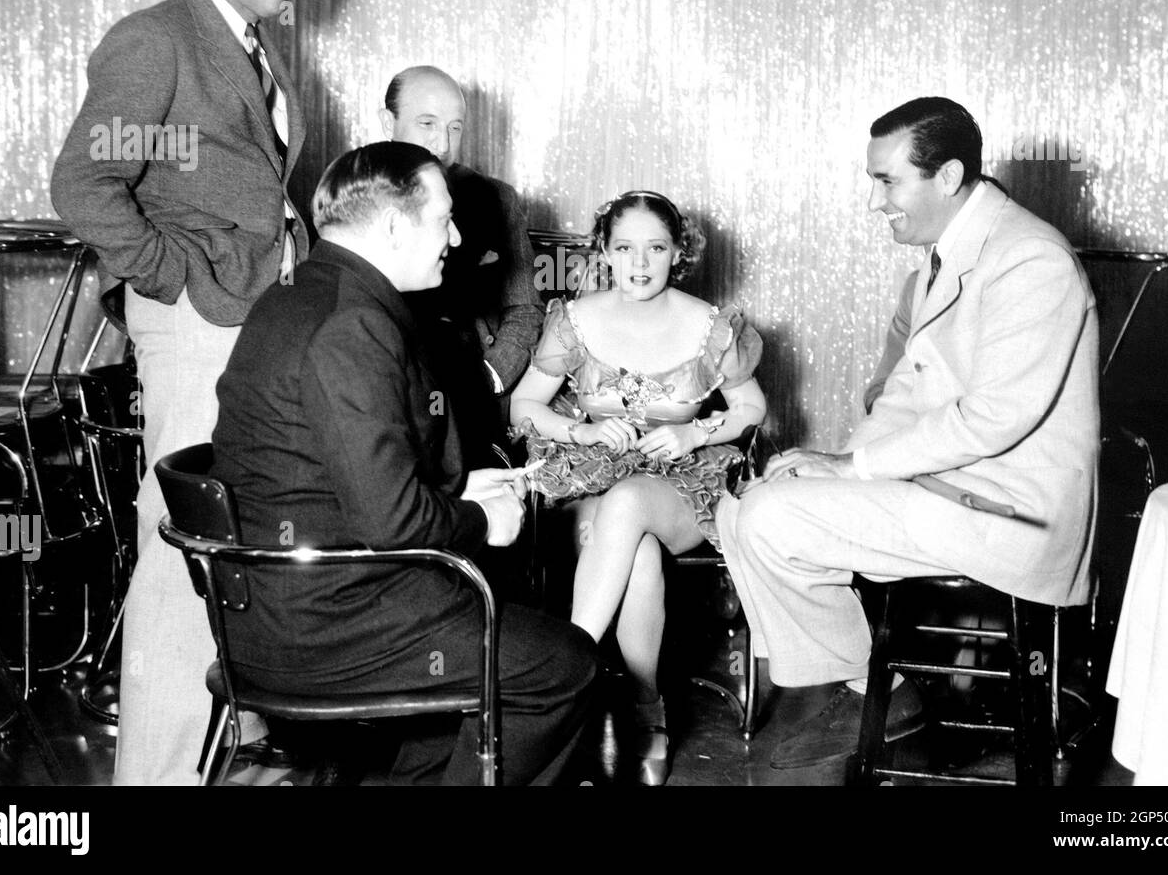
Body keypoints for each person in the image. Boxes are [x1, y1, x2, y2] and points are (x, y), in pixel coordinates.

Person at [50, 0, 335, 785]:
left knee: (232, 531)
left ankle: (226, 744)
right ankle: (157, 776)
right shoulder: (157, 40)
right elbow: (85, 184)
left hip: (252, 321)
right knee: (184, 545)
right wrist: (172, 276)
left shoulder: (250, 46)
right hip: (197, 322)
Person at [717, 97, 1099, 770]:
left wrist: (857, 469)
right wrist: (838, 460)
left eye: (887, 181)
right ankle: (874, 689)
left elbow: (991, 420)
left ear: (948, 177)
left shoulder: (1030, 260)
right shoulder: (951, 251)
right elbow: (907, 392)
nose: (876, 202)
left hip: (1011, 513)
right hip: (952, 490)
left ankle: (873, 698)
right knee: (744, 502)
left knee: (772, 517)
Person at [212, 142, 597, 785]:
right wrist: (477, 517)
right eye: (443, 218)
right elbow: (390, 521)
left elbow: (332, 469)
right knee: (563, 665)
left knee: (483, 682)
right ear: (393, 226)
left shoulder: (302, 295)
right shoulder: (354, 324)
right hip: (329, 621)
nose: (455, 236)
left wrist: (457, 487)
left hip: (277, 604)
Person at [509, 191, 767, 785]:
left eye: (656, 247)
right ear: (604, 250)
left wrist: (695, 433)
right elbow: (524, 407)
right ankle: (649, 710)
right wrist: (584, 428)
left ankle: (559, 688)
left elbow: (752, 409)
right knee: (638, 553)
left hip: (677, 487)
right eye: (624, 247)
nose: (640, 262)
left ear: (678, 252)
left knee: (631, 507)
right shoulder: (573, 321)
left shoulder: (711, 325)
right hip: (588, 482)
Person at [380, 66, 543, 468]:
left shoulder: (497, 199)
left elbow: (525, 309)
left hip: (477, 395)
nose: (443, 143)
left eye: (455, 127)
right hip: (388, 393)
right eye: (427, 124)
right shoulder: (357, 195)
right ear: (389, 122)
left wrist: (488, 378)